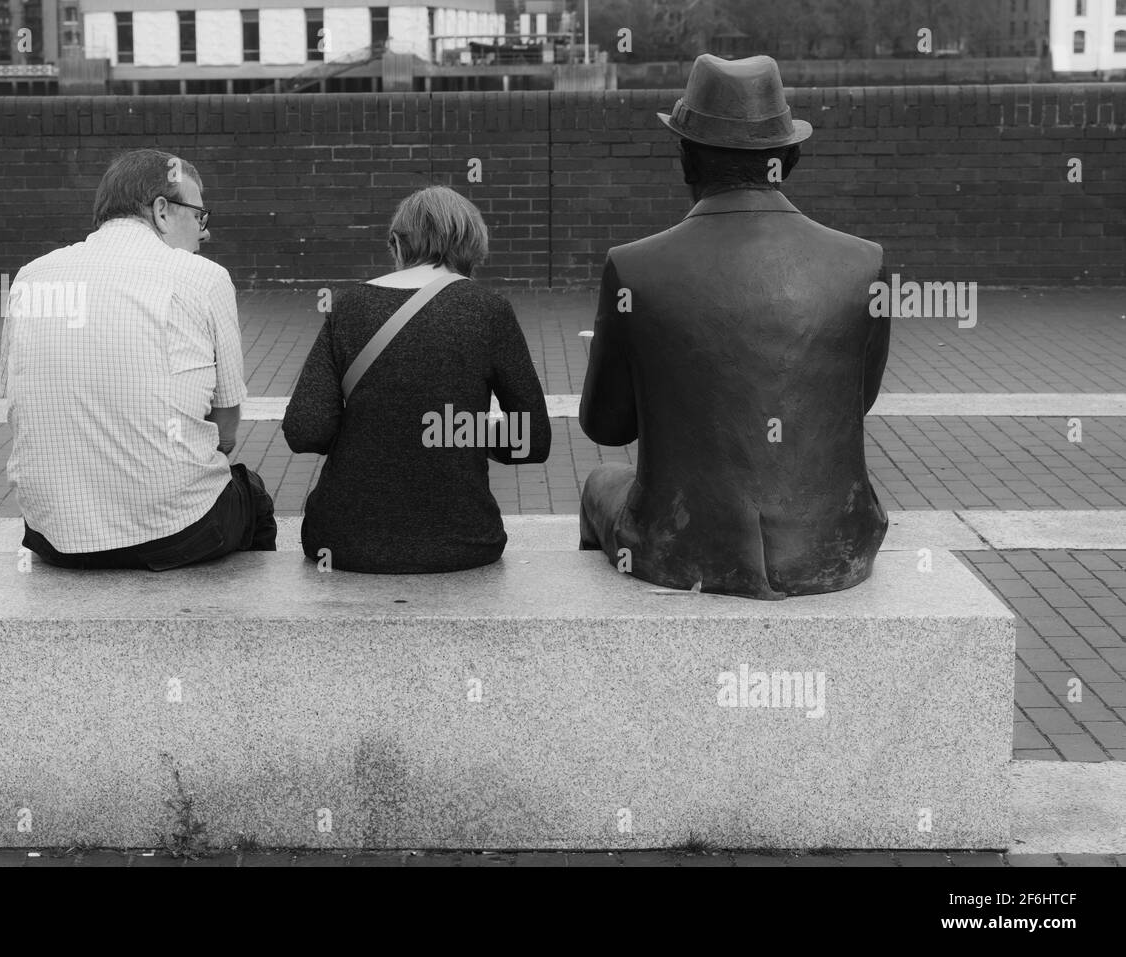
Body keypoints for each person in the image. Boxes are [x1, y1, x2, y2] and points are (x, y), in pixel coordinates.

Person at [578, 54, 891, 599]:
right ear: (789, 157)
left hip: (682, 546)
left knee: (600, 481)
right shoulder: (865, 263)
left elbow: (607, 426)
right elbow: (852, 403)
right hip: (836, 542)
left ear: (684, 157)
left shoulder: (634, 267)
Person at [1, 148, 277, 570]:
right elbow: (226, 421)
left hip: (53, 535)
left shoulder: (30, 277)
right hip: (178, 531)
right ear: (162, 211)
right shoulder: (205, 278)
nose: (205, 234)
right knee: (250, 496)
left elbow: (17, 400)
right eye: (199, 216)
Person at [283, 186, 551, 573]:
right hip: (464, 541)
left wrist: (374, 429)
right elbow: (532, 440)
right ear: (473, 246)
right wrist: (456, 430)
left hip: (343, 542)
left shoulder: (350, 307)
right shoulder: (489, 311)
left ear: (396, 243)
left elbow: (306, 430)